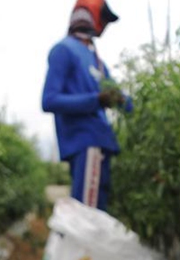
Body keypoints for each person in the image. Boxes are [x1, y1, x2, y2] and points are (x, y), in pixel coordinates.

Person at [41, 0, 132, 212]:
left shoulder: (97, 61)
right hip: (86, 141)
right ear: (90, 17)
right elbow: (49, 100)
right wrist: (96, 100)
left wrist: (135, 105)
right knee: (85, 215)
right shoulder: (64, 50)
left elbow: (122, 100)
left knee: (94, 214)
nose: (105, 27)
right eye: (104, 20)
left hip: (101, 142)